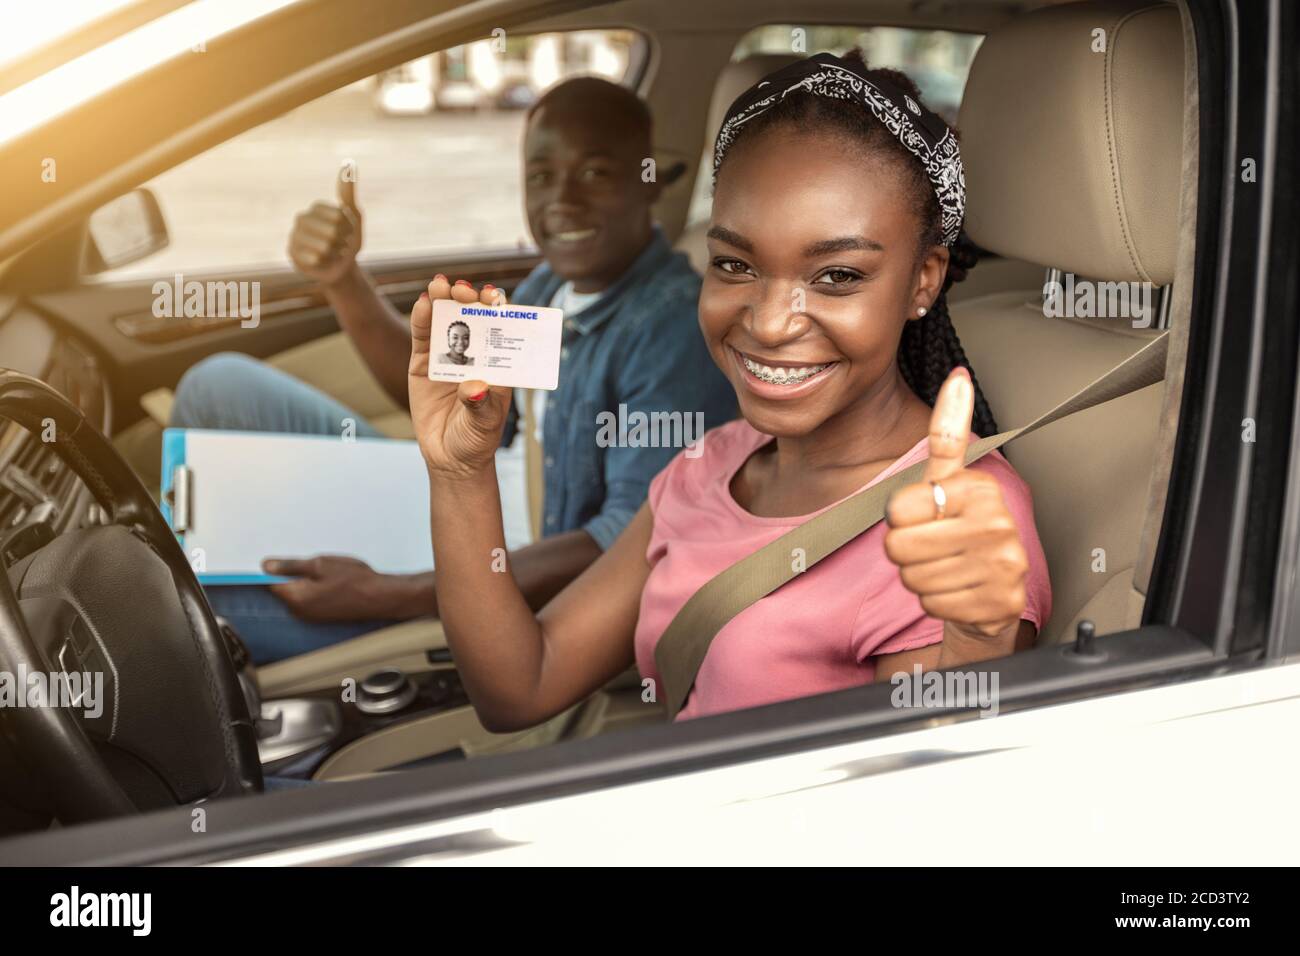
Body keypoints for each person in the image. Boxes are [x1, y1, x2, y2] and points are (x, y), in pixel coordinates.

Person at [407, 51, 1052, 728]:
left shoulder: (956, 521)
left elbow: (917, 803)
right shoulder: (711, 463)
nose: (770, 324)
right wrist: (459, 473)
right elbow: (519, 688)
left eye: (837, 275)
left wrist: (980, 644)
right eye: (735, 264)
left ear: (923, 279)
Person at [169, 77, 735, 663]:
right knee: (215, 387)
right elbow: (435, 395)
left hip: (499, 577)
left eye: (594, 172)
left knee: (186, 604)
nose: (562, 199)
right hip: (457, 495)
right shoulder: (552, 287)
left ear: (650, 181)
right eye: (541, 176)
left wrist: (388, 593)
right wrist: (342, 278)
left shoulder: (671, 332)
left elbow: (627, 544)